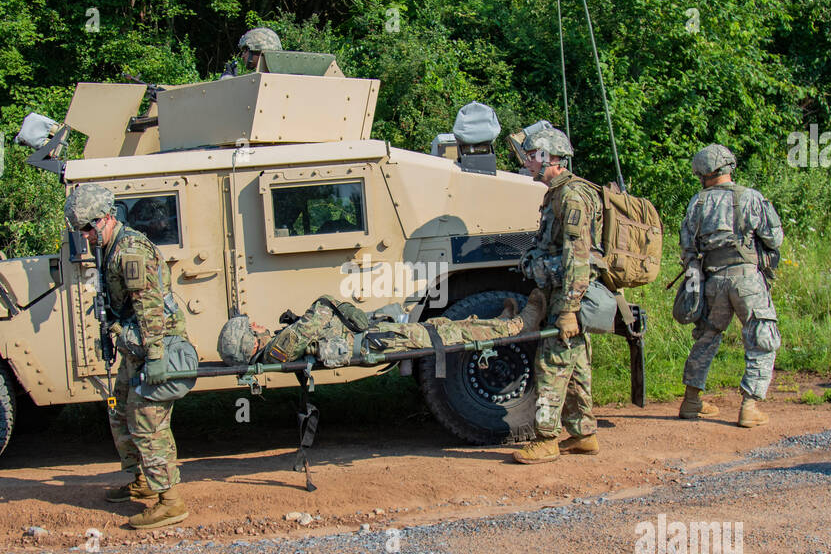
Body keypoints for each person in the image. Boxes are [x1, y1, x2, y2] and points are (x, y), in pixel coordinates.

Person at [63, 183, 191, 530]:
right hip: (135, 345)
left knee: (147, 421)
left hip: (154, 343)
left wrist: (155, 360)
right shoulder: (109, 247)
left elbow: (149, 308)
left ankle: (170, 502)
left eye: (88, 228)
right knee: (119, 410)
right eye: (80, 230)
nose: (85, 236)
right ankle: (144, 480)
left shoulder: (130, 251)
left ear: (105, 219)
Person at [512, 125, 604, 464]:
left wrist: (568, 309)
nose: (529, 163)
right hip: (561, 295)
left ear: (552, 158)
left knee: (550, 363)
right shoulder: (557, 193)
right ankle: (584, 435)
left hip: (568, 297)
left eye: (534, 157)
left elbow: (577, 255)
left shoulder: (571, 196)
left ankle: (546, 439)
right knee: (576, 364)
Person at [678, 144, 784, 427]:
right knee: (761, 337)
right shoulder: (750, 197)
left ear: (701, 172)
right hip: (747, 278)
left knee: (706, 336)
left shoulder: (696, 203)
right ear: (728, 166)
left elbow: (687, 247)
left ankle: (691, 401)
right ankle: (750, 405)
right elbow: (774, 238)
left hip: (712, 280)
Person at [216, 291, 546, 367]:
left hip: (368, 338)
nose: (258, 325)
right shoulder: (275, 350)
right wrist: (320, 304)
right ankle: (517, 327)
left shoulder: (276, 346)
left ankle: (499, 324)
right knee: (442, 335)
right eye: (252, 328)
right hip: (371, 343)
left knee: (438, 327)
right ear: (248, 341)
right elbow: (318, 315)